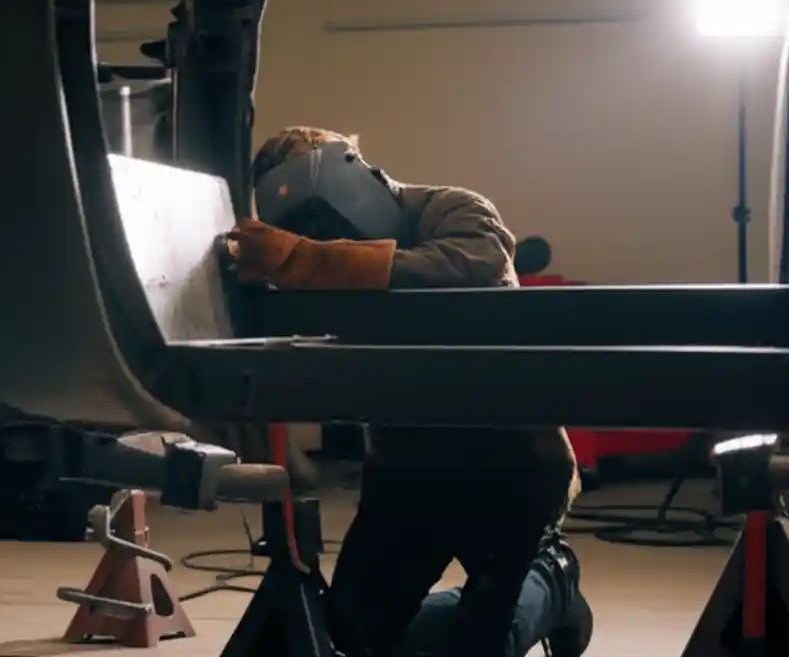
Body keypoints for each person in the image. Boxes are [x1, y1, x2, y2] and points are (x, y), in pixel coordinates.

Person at [225, 126, 592, 657]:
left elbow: (470, 267)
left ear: (356, 176)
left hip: (511, 468)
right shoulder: (312, 261)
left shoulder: (454, 210)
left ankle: (555, 579)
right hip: (406, 471)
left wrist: (305, 259)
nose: (321, 240)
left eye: (321, 225)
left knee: (478, 642)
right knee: (353, 635)